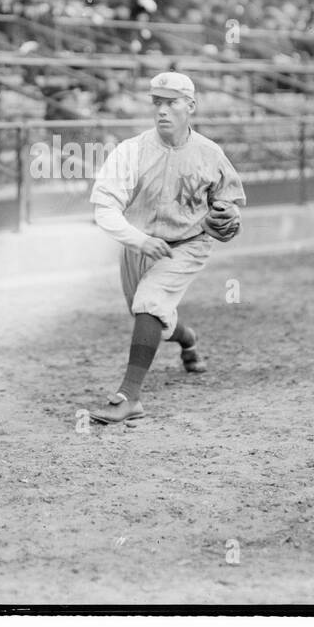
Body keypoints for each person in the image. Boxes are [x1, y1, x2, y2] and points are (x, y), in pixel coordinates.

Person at [87, 71, 246, 425]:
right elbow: (104, 209)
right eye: (157, 102)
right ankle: (188, 338)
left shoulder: (210, 153)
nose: (162, 110)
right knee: (148, 315)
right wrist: (139, 240)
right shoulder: (132, 150)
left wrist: (228, 217)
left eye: (172, 102)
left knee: (150, 303)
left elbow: (230, 206)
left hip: (187, 245)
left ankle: (129, 398)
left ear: (190, 106)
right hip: (138, 244)